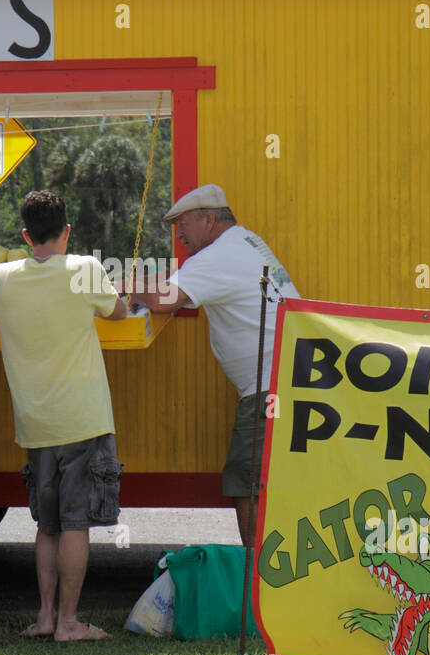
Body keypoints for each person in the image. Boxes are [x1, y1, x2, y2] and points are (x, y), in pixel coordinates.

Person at [0, 190, 128, 641]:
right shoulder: (86, 270)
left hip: (34, 424)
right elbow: (119, 312)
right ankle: (69, 623)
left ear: (25, 235)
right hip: (83, 418)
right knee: (76, 524)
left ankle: (44, 617)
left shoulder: (0, 277)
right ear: (67, 230)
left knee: (48, 525)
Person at [129, 184, 301, 546]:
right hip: (290, 377)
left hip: (270, 386)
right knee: (269, 481)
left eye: (182, 225)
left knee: (247, 482)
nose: (179, 235)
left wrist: (123, 285)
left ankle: (257, 572)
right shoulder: (246, 242)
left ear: (208, 219)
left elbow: (164, 299)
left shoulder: (218, 255)